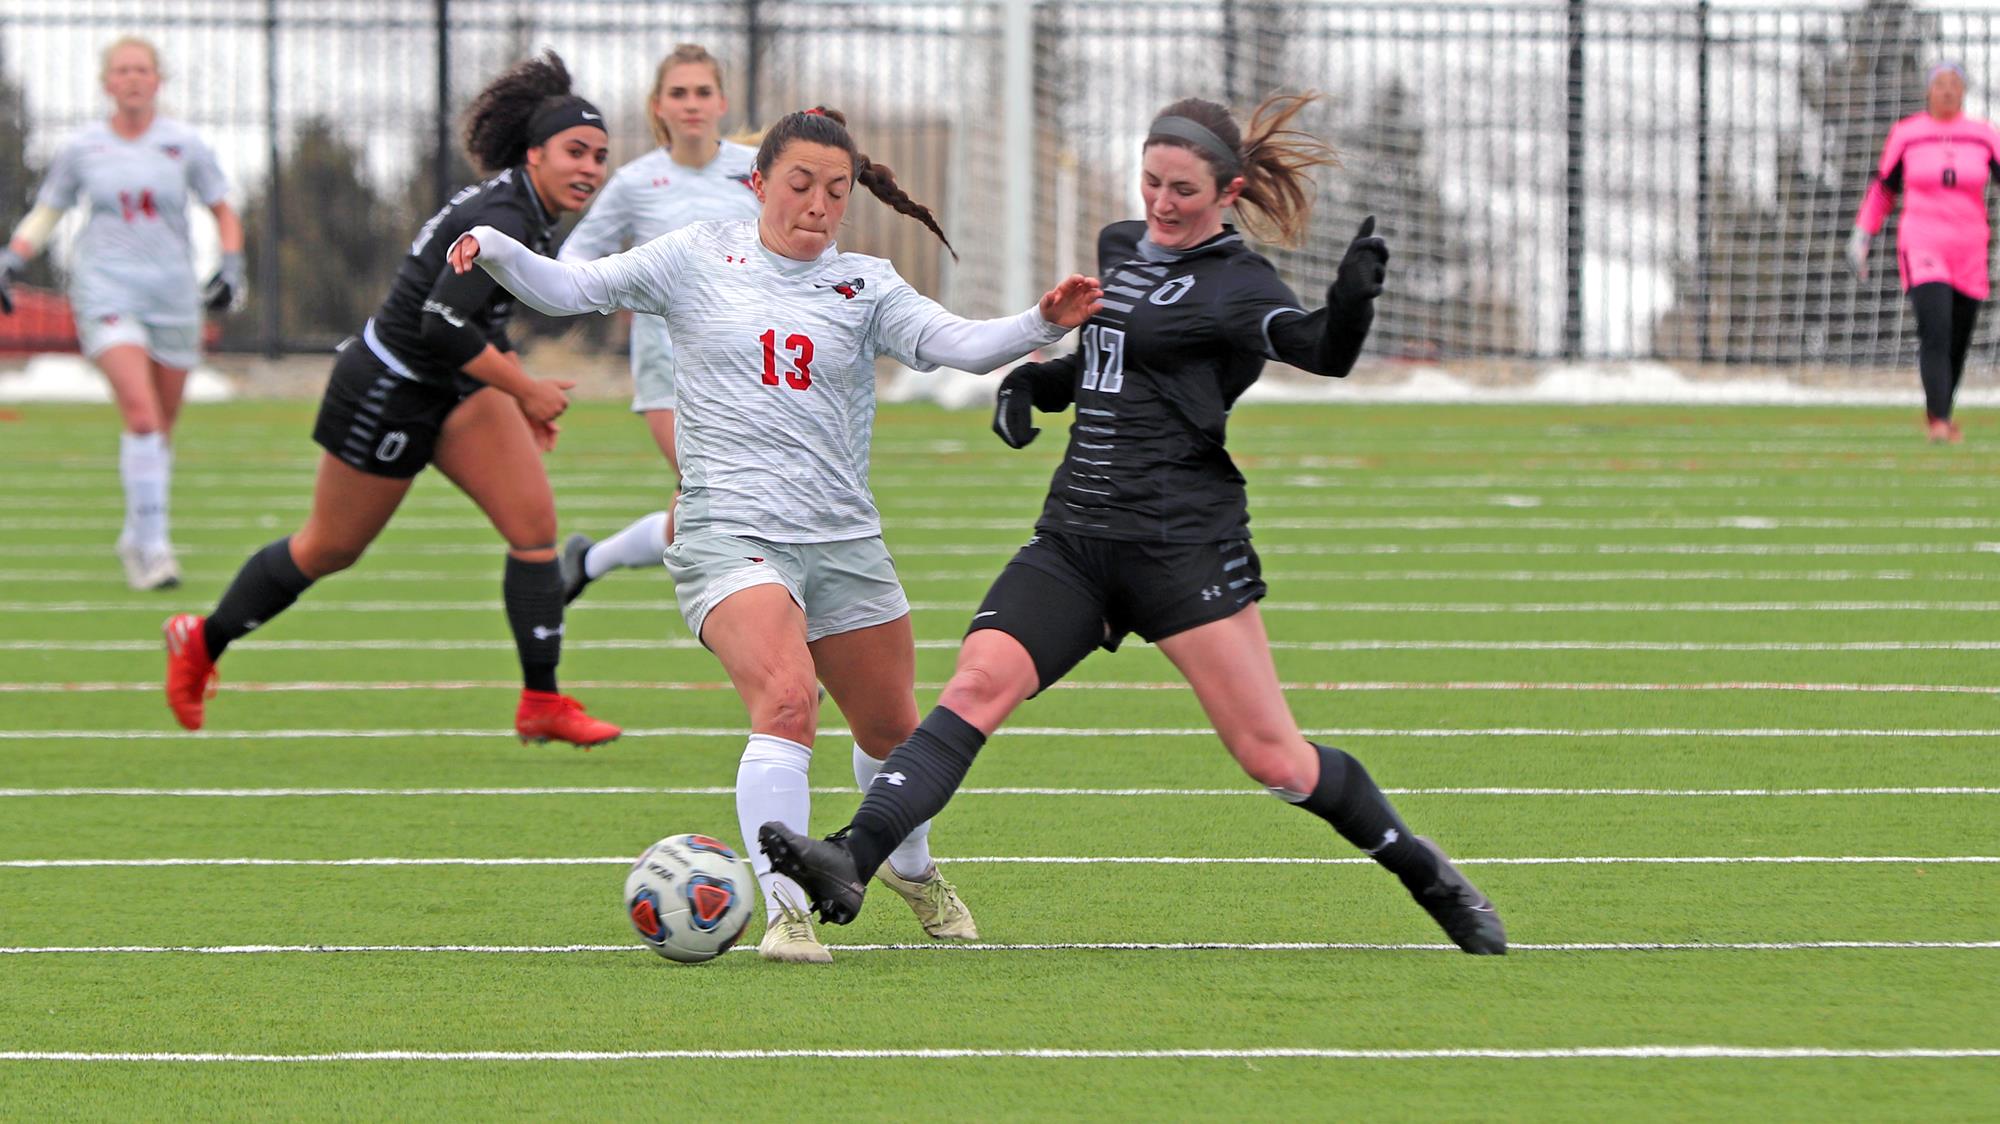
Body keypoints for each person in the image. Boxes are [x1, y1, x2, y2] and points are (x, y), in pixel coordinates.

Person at [758, 93, 1508, 956]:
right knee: (974, 687)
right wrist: (1039, 384)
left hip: (1181, 546)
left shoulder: (1239, 284)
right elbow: (1115, 356)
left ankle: (1427, 873)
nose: (1159, 200)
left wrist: (1351, 303)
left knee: (1277, 760)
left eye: (1182, 188)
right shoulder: (1121, 246)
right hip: (1077, 537)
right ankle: (851, 857)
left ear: (1228, 193)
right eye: (1150, 179)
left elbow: (1321, 349)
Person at [447, 106, 1103, 962]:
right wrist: (495, 249)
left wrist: (1040, 323)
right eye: (800, 184)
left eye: (836, 190)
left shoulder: (865, 285)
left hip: (841, 538)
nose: (818, 204)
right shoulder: (696, 256)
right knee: (788, 702)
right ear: (758, 182)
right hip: (728, 527)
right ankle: (790, 909)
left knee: (894, 736)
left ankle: (910, 867)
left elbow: (960, 347)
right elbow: (574, 288)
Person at [162, 51, 623, 748]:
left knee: (533, 529)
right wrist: (523, 385)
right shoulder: (507, 209)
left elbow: (478, 318)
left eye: (599, 155)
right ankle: (203, 639)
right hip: (390, 385)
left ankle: (542, 701)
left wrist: (513, 392)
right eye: (575, 152)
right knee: (330, 548)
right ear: (535, 154)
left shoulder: (526, 208)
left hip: (457, 383)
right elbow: (440, 322)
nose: (589, 167)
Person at [0, 37, 244, 590]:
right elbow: (50, 210)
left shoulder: (184, 144)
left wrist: (232, 266)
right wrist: (12, 257)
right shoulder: (84, 148)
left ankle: (137, 531)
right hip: (107, 291)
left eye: (142, 70)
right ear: (107, 82)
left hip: (174, 296)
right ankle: (154, 550)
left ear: (158, 80)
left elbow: (223, 210)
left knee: (162, 425)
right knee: (141, 415)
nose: (132, 79)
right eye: (122, 70)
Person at [552, 44, 762, 601]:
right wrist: (618, 284)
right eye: (678, 93)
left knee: (712, 505)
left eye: (701, 92)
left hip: (750, 370)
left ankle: (590, 560)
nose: (690, 104)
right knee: (721, 494)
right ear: (658, 106)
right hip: (666, 371)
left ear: (720, 101)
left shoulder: (758, 172)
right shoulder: (635, 182)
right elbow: (576, 258)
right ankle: (780, 662)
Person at [1849, 60, 2000, 444]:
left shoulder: (1984, 135)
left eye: (1954, 84)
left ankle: (1940, 410)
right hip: (1922, 243)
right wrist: (1862, 235)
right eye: (1940, 83)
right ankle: (1940, 422)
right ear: (1928, 90)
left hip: (1969, 247)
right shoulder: (1907, 134)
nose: (1947, 90)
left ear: (1964, 91)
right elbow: (1884, 189)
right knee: (1935, 326)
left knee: (1959, 335)